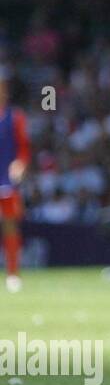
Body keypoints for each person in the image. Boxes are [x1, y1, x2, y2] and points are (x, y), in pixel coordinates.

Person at [0, 74, 30, 293]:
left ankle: (12, 273)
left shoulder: (15, 116)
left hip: (6, 180)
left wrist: (20, 164)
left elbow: (23, 148)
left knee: (10, 224)